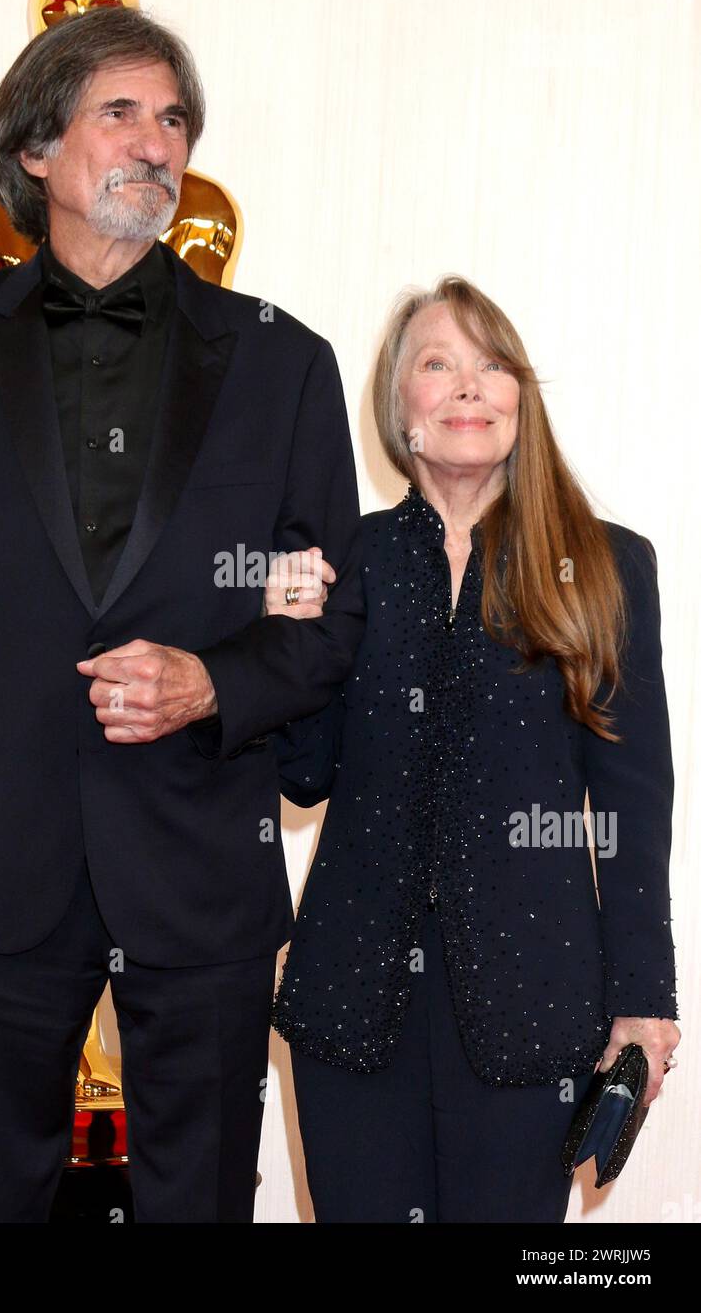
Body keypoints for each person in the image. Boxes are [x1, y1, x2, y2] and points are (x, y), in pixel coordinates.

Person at [0, 5, 365, 1223]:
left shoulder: (283, 362)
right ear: (35, 150)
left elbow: (321, 616)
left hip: (197, 861)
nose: (157, 143)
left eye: (173, 119)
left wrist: (211, 683)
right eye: (119, 113)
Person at [265, 275, 680, 1222]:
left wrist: (644, 998)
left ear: (520, 403)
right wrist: (286, 641)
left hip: (537, 1006)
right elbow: (303, 775)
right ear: (397, 407)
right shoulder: (347, 563)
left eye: (492, 365)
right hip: (351, 1008)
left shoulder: (608, 567)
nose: (468, 387)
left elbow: (632, 805)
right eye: (438, 364)